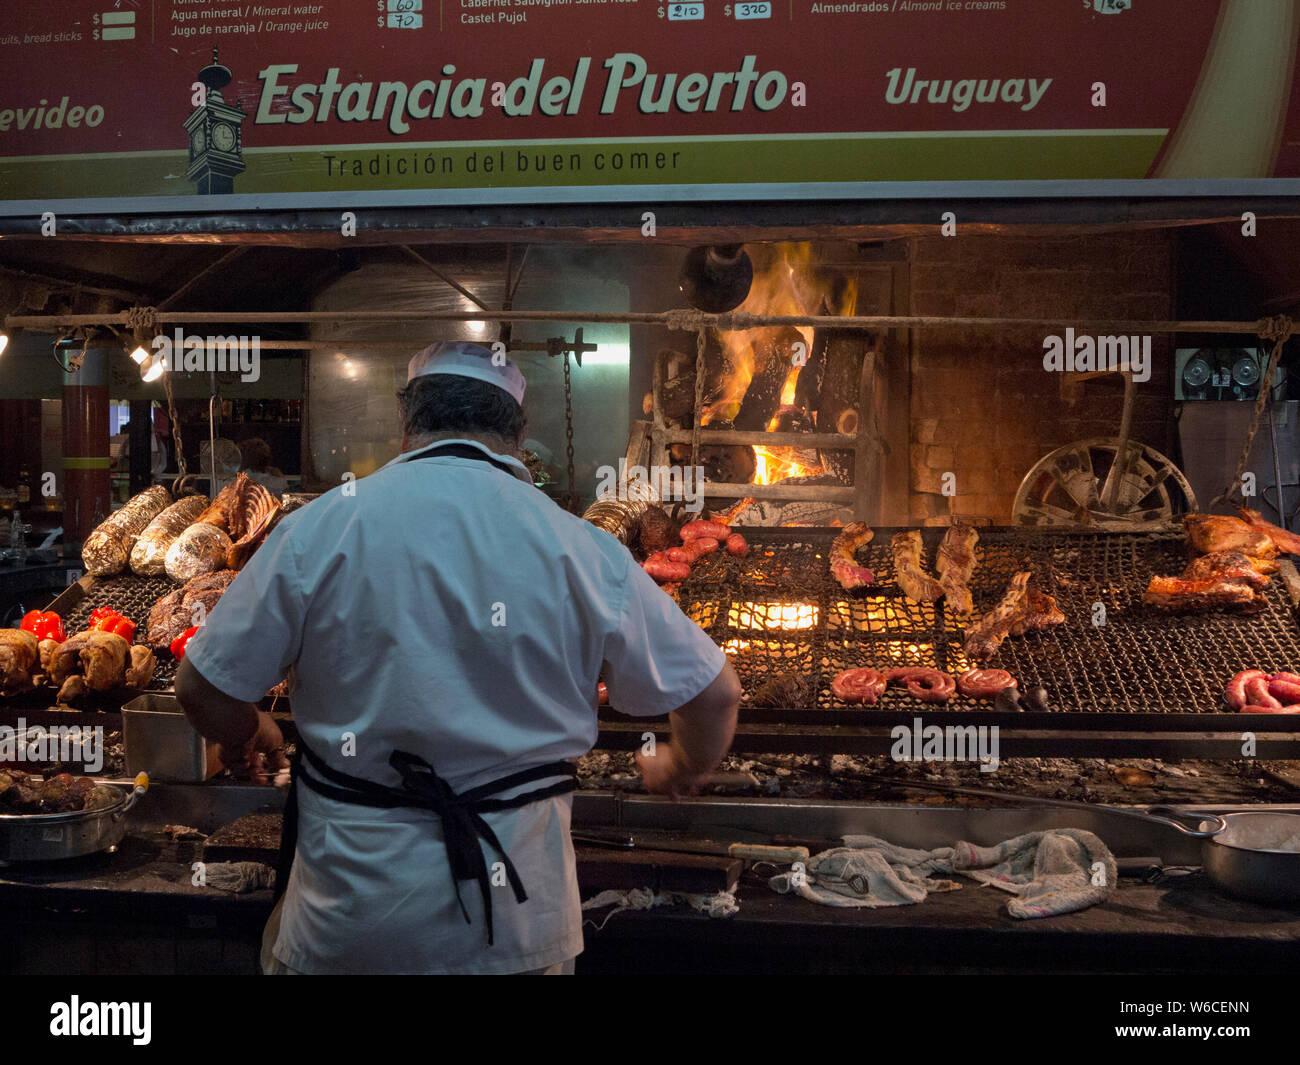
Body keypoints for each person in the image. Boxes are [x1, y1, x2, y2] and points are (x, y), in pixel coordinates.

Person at [174, 340, 741, 975]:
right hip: (514, 932)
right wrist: (680, 763)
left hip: (350, 925)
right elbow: (714, 694)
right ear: (521, 434)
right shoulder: (582, 548)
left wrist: (250, 729)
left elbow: (200, 686)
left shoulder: (318, 530)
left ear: (405, 420)